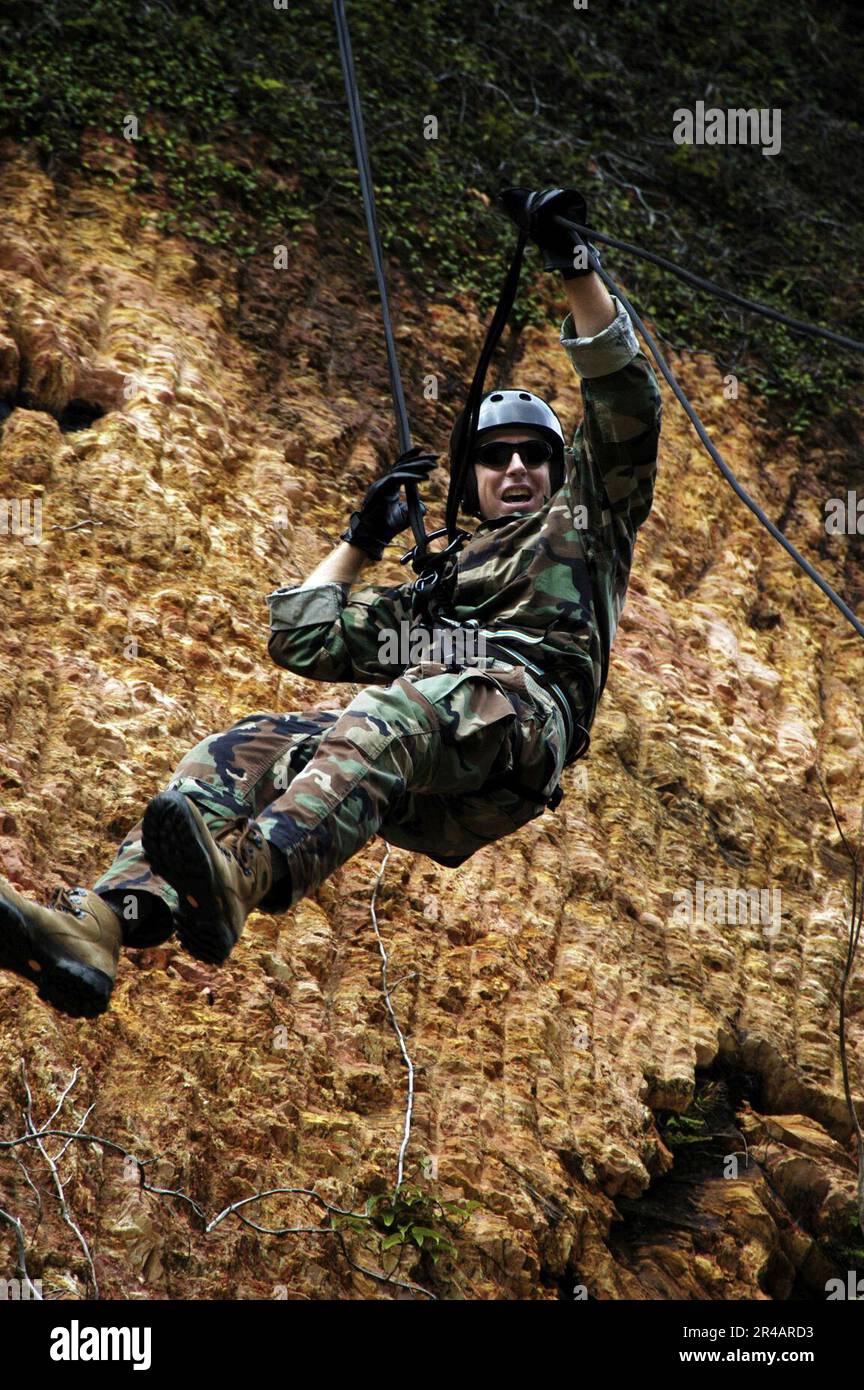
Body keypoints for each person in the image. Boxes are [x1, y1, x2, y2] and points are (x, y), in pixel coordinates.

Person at [0, 189, 662, 1018]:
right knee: (236, 750)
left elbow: (627, 404)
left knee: (406, 702)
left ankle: (247, 874)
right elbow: (303, 638)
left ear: (562, 472)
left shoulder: (586, 524)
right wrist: (359, 542)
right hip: (423, 754)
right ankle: (99, 922)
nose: (518, 468)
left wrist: (575, 266)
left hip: (519, 727)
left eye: (536, 455)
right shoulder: (439, 592)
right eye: (496, 458)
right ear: (471, 481)